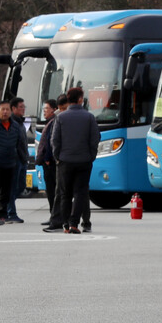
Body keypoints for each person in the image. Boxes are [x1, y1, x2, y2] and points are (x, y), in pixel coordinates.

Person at [44, 86, 99, 235]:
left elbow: (54, 140)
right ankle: (75, 223)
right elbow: (95, 139)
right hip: (84, 161)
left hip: (65, 161)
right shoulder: (89, 117)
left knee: (65, 194)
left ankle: (66, 224)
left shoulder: (60, 117)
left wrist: (58, 157)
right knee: (80, 192)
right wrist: (91, 156)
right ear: (80, 99)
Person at [0, 100, 26, 225]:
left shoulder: (15, 125)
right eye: (2, 109)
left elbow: (19, 143)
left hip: (11, 163)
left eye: (7, 109)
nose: (5, 112)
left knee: (7, 191)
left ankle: (3, 214)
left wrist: (22, 158)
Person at [34, 99, 59, 224]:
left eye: (46, 109)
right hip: (49, 161)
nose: (44, 111)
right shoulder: (49, 122)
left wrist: (48, 158)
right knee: (51, 190)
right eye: (43, 109)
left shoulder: (54, 122)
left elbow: (51, 142)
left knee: (53, 190)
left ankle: (55, 217)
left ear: (54, 109)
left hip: (51, 162)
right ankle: (54, 216)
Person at [5, 98, 30, 222]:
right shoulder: (11, 123)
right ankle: (11, 212)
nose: (23, 109)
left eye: (23, 106)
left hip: (22, 159)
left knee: (21, 186)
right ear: (13, 109)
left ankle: (5, 205)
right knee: (13, 186)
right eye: (21, 107)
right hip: (15, 160)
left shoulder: (20, 122)